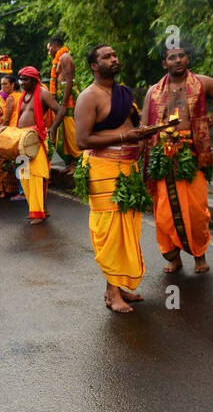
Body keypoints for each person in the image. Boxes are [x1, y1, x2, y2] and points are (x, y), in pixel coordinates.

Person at [141, 44, 213, 272]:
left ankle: (199, 256)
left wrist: (211, 121)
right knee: (164, 211)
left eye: (182, 55)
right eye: (171, 57)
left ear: (187, 58)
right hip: (163, 156)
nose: (178, 60)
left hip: (193, 153)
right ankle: (174, 258)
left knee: (196, 210)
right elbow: (145, 126)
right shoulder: (153, 91)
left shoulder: (202, 82)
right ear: (164, 63)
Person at [73, 44, 149, 313]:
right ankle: (113, 293)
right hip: (103, 169)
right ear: (94, 66)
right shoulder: (88, 97)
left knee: (129, 228)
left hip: (129, 169)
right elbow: (82, 140)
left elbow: (133, 125)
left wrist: (143, 134)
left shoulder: (124, 93)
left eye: (115, 55)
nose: (114, 59)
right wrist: (123, 138)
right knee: (110, 232)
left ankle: (117, 287)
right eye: (107, 56)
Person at [10, 66, 64, 223]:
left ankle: (37, 213)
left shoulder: (43, 93)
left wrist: (53, 128)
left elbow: (59, 110)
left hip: (36, 139)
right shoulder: (23, 96)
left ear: (34, 80)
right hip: (21, 139)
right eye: (21, 79)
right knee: (23, 174)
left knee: (37, 176)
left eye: (25, 79)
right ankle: (40, 208)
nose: (22, 82)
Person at [47, 35, 82, 168]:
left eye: (49, 49)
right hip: (63, 98)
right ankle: (71, 163)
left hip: (69, 100)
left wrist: (63, 103)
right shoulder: (59, 60)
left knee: (71, 130)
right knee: (65, 132)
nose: (49, 52)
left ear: (56, 46)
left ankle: (80, 164)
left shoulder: (65, 57)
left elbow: (69, 82)